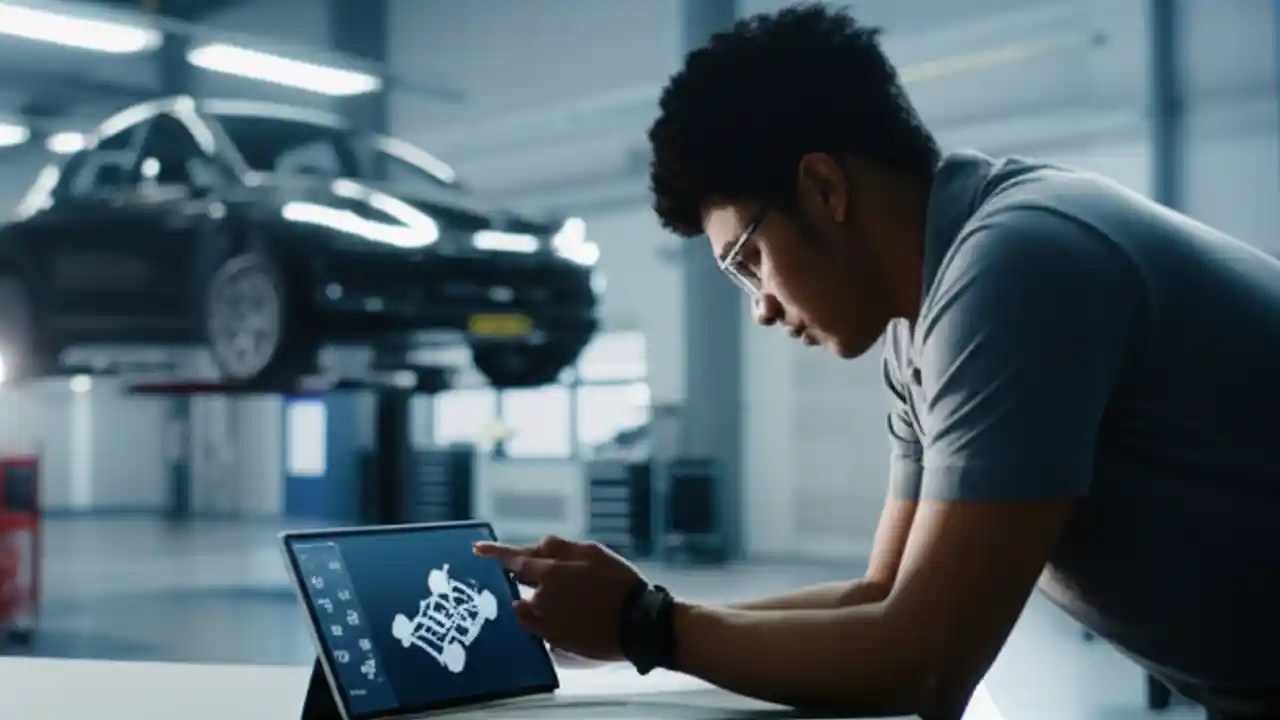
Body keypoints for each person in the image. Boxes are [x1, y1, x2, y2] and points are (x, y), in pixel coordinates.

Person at [476, 4, 1280, 718]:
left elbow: (924, 664)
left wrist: (645, 625)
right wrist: (635, 614)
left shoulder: (1018, 265)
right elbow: (881, 596)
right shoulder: (926, 318)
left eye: (749, 261)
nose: (760, 307)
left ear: (824, 187)